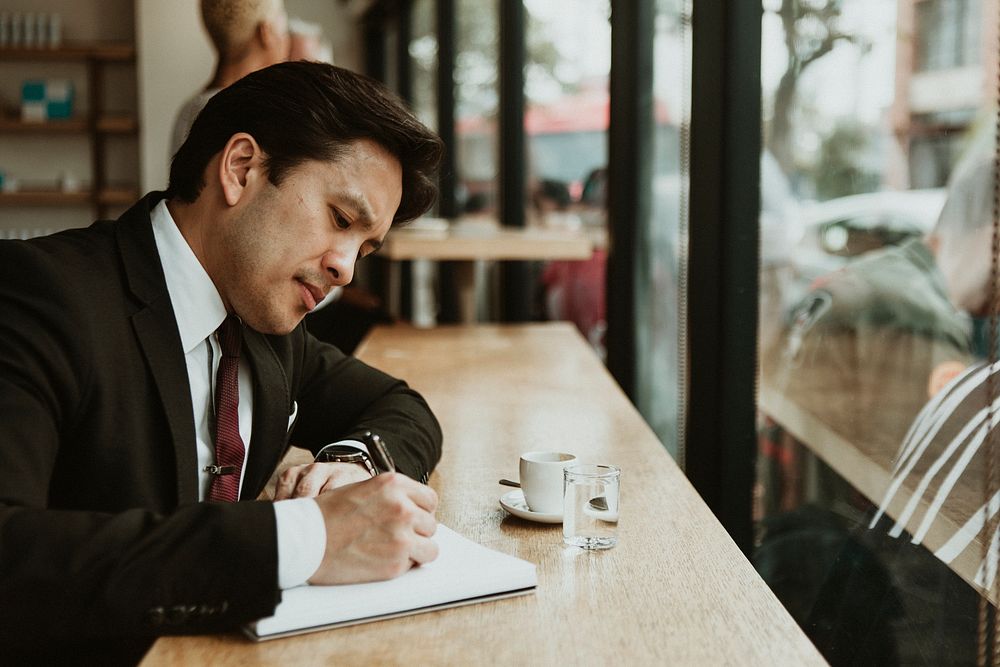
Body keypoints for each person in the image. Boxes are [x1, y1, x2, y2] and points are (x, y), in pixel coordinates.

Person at [0, 61, 444, 664]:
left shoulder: (266, 323)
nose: (347, 267)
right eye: (341, 219)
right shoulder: (38, 295)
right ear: (242, 169)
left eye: (364, 247)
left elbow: (399, 406)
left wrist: (346, 468)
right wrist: (310, 537)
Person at [170, 0, 290, 157]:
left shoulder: (188, 111)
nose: (288, 38)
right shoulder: (254, 115)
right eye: (286, 28)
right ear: (266, 33)